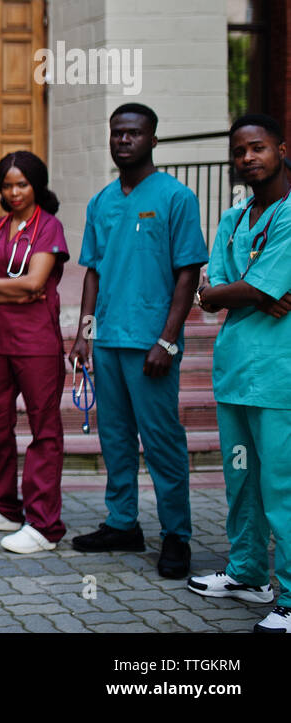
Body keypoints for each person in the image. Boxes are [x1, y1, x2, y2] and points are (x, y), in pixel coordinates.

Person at [68, 103, 208, 579]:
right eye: (117, 133)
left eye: (133, 133)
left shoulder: (175, 197)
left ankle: (176, 535)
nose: (123, 140)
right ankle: (123, 523)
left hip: (151, 343)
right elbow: (93, 271)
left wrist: (168, 340)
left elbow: (188, 271)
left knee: (163, 440)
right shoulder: (101, 201)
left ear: (153, 140)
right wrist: (85, 333)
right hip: (107, 339)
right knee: (116, 439)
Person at [190, 114, 291, 633]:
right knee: (241, 480)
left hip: (278, 376)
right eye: (239, 152)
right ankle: (249, 574)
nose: (247, 158)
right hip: (234, 370)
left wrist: (245, 290)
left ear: (280, 148)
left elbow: (249, 289)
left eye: (257, 148)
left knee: (282, 486)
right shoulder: (233, 217)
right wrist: (249, 290)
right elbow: (213, 290)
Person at [0, 151, 69, 553]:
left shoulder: (49, 227)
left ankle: (44, 526)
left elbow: (36, 283)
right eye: (7, 185)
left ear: (36, 186)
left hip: (36, 344)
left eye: (21, 184)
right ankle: (4, 506)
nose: (14, 192)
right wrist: (8, 286)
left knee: (44, 431)